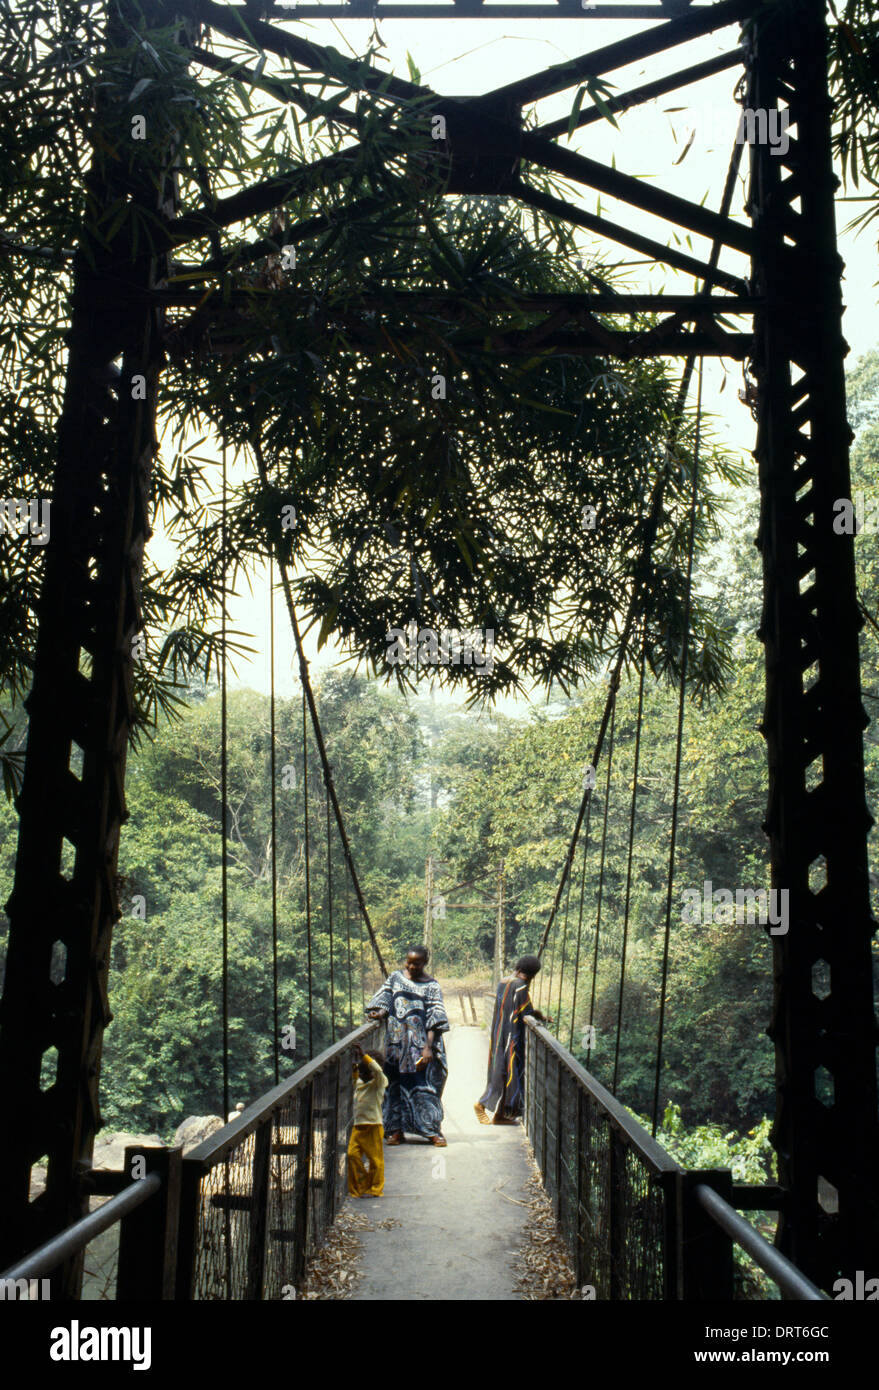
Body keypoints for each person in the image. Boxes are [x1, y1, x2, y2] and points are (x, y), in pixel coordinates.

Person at [366, 946, 450, 1147]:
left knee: (424, 1087)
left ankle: (431, 1130)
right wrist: (380, 1013)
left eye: (417, 963)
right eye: (409, 962)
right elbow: (386, 999)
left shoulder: (432, 986)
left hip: (420, 1047)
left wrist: (428, 1048)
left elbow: (435, 1019)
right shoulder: (395, 978)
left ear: (425, 963)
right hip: (396, 1044)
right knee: (393, 1085)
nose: (411, 967)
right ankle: (395, 1131)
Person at [475, 955, 548, 1126]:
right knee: (509, 1074)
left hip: (499, 1033)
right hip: (513, 1037)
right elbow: (526, 1013)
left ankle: (501, 1115)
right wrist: (539, 1016)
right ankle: (481, 1104)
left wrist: (538, 1015)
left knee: (502, 1071)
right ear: (532, 974)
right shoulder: (520, 986)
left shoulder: (504, 981)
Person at [347, 1044, 388, 1198]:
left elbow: (378, 1071)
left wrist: (364, 1056)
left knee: (375, 1160)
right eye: (361, 1072)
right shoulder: (359, 1082)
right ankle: (361, 1185)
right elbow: (355, 1079)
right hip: (358, 1126)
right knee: (352, 1155)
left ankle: (376, 1188)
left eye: (366, 1072)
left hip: (374, 1125)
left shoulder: (379, 1082)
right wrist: (355, 1067)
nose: (363, 1075)